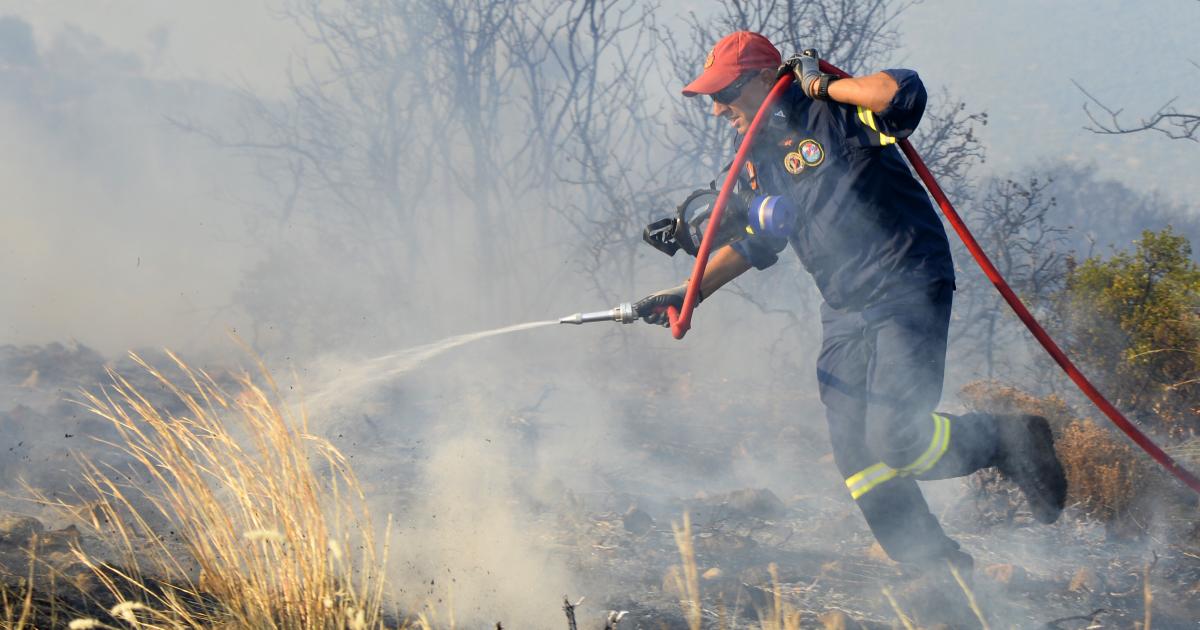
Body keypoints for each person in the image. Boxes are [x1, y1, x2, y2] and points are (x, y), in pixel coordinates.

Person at [634, 31, 1067, 576]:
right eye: (713, 97)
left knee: (898, 438)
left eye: (726, 92)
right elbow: (760, 241)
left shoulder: (835, 110)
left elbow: (902, 94)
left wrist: (824, 86)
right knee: (858, 457)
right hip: (844, 307)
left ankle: (1012, 441)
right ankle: (941, 574)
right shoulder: (760, 158)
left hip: (905, 282)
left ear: (766, 79)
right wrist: (687, 292)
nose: (718, 109)